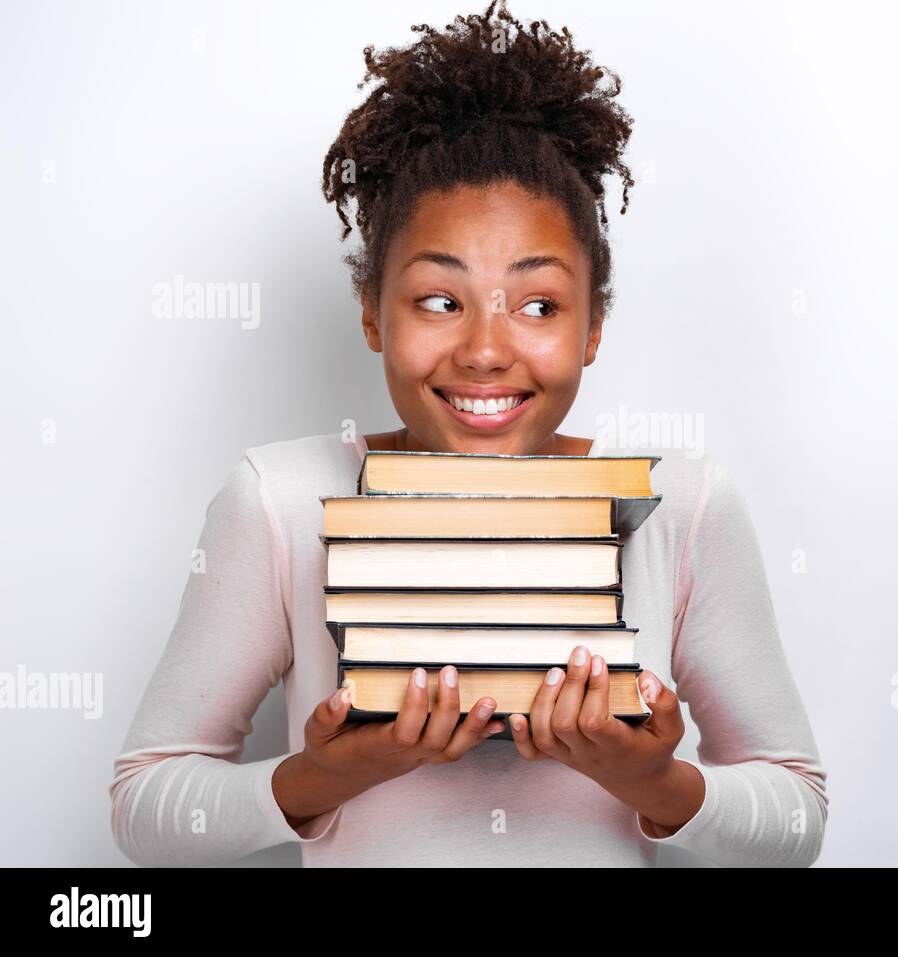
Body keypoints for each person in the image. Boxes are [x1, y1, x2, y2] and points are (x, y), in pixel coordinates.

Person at [109, 0, 827, 867]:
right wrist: (327, 775)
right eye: (440, 300)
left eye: (538, 305)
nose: (486, 351)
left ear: (592, 326)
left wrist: (655, 782)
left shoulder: (685, 505)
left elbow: (797, 822)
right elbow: (145, 808)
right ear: (373, 312)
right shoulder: (282, 500)